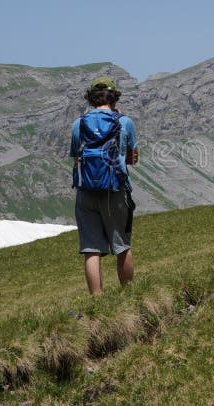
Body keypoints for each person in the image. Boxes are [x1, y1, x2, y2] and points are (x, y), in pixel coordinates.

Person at [70, 76, 139, 295]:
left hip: (86, 192)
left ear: (91, 98)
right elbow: (133, 158)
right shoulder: (124, 122)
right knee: (122, 246)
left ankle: (97, 301)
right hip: (115, 190)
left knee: (91, 250)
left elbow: (76, 160)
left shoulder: (79, 123)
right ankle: (128, 296)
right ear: (114, 97)